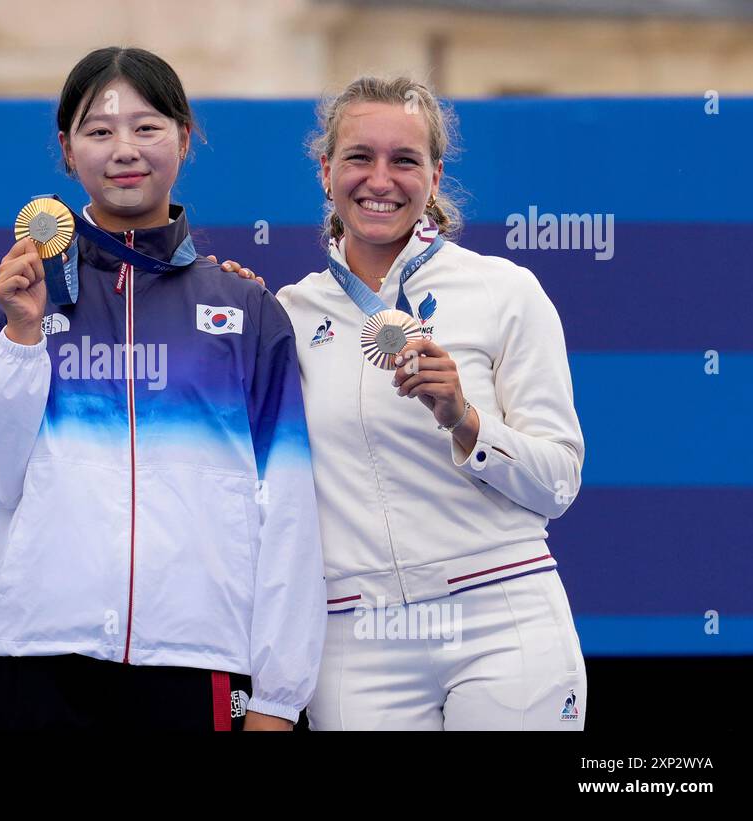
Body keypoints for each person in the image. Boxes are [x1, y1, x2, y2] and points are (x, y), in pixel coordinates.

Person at [0, 47, 324, 731]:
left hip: (196, 655)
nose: (124, 149)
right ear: (65, 149)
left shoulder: (246, 310)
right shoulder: (3, 302)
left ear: (184, 137)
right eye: (98, 130)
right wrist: (22, 338)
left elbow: (289, 507)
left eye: (147, 127)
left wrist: (278, 693)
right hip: (37, 655)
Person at [277, 75, 588, 730]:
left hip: (501, 619)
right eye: (359, 157)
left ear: (435, 174)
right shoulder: (289, 314)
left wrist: (466, 420)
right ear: (326, 170)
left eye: (405, 159)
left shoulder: (505, 290)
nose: (380, 179)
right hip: (358, 637)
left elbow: (558, 482)